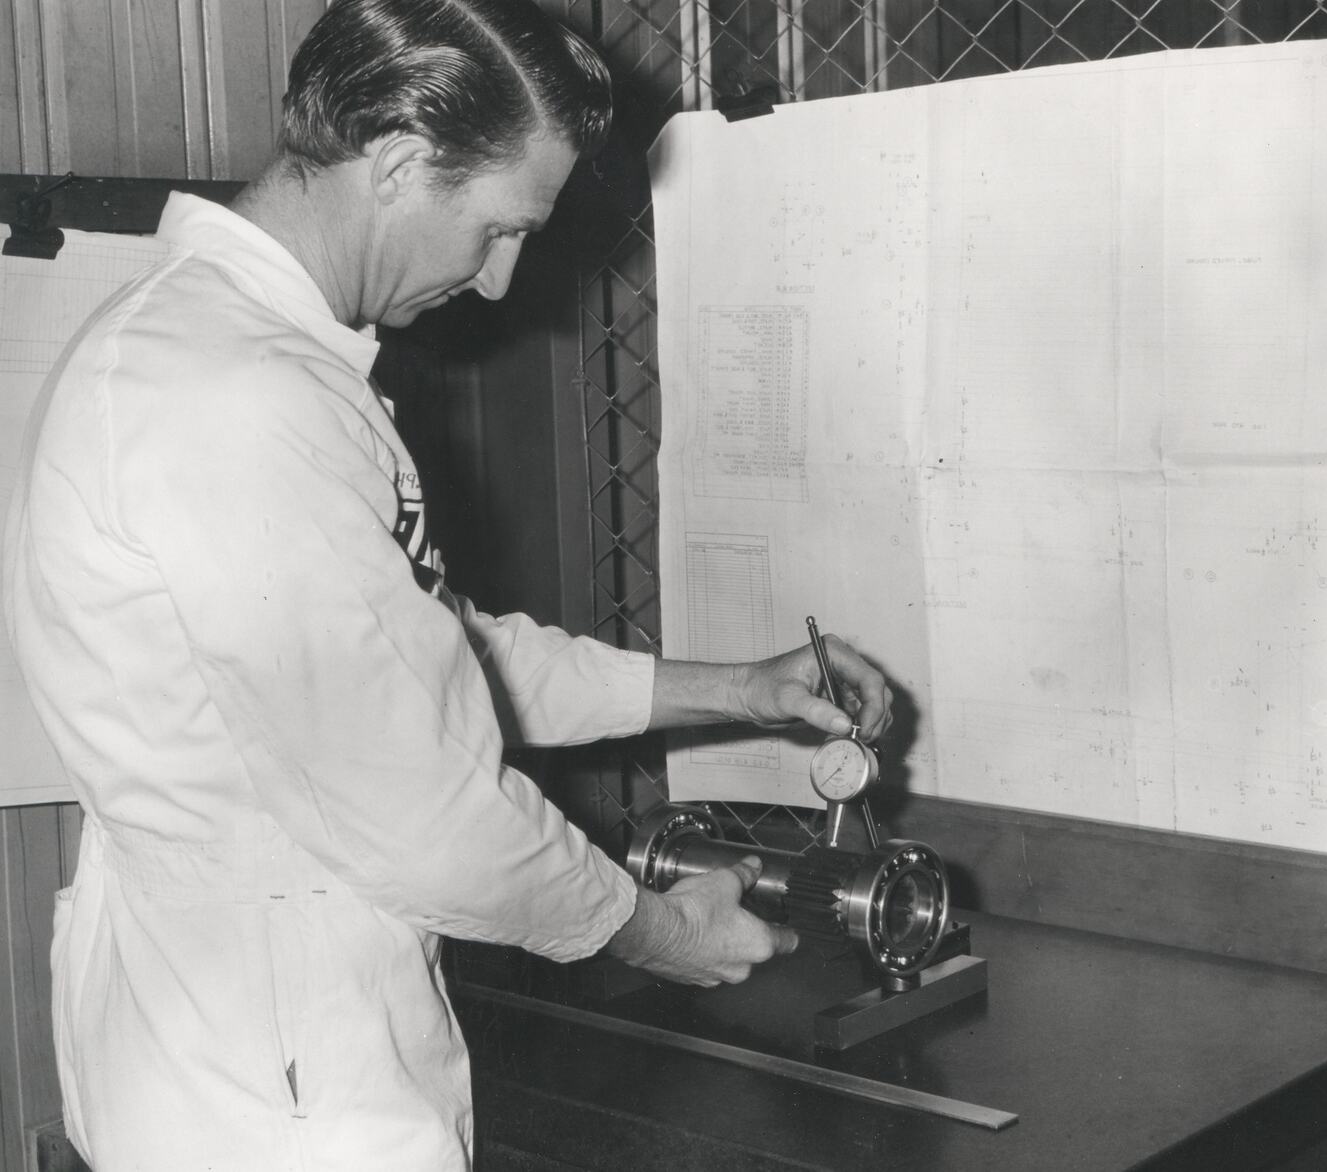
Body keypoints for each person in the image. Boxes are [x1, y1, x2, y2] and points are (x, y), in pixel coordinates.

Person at [0, 1, 893, 1169]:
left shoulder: (223, 352)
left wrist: (743, 687)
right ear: (403, 162)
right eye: (497, 229)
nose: (500, 281)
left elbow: (435, 660)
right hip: (276, 1081)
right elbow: (425, 803)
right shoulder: (231, 394)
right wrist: (667, 929)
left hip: (260, 1018)